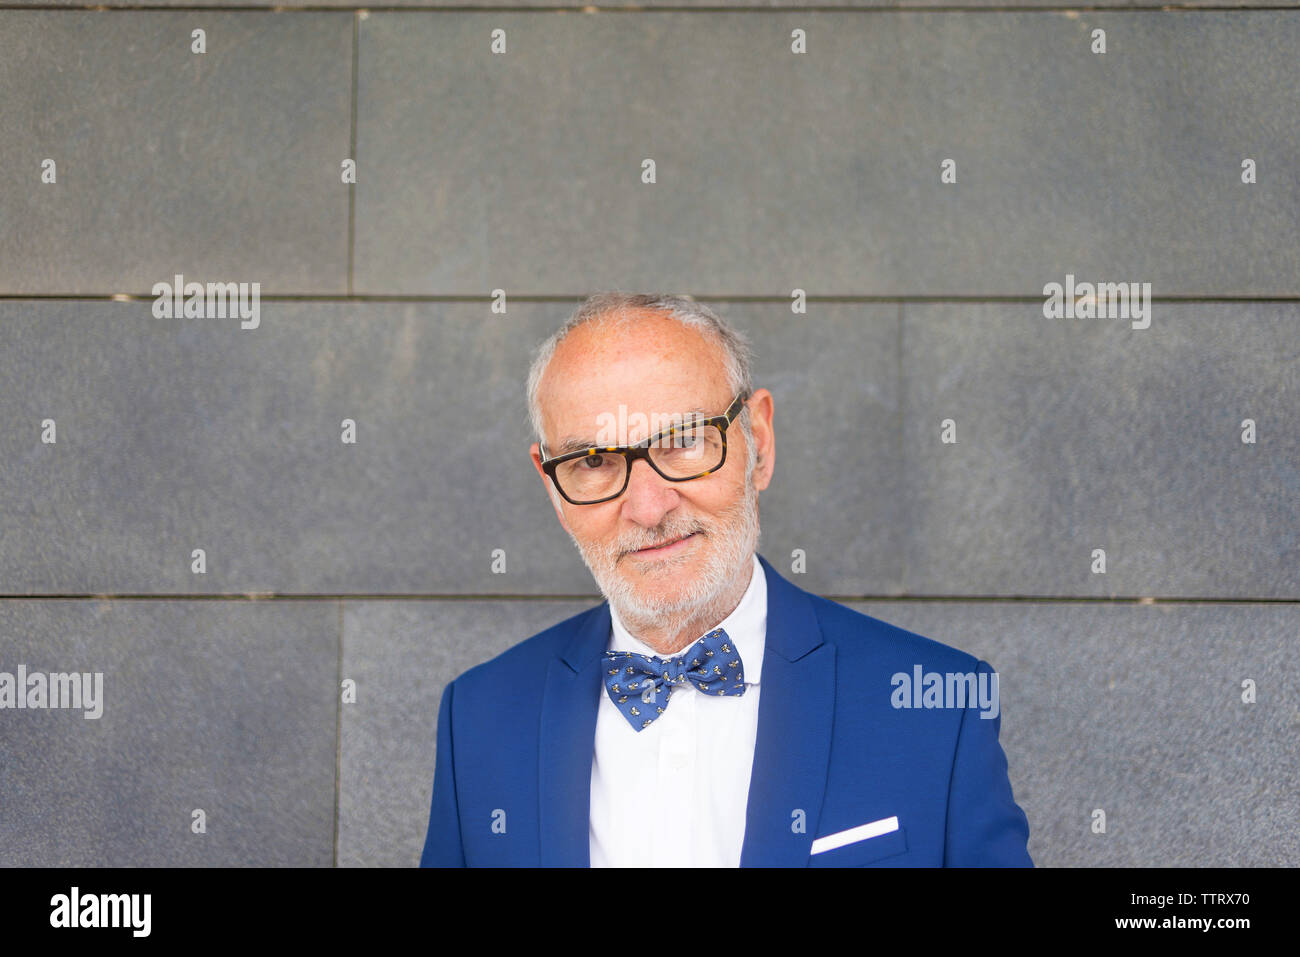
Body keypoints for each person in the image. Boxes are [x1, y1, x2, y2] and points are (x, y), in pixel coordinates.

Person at [420, 292, 1032, 867]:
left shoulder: (937, 706)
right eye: (595, 462)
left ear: (757, 443)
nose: (649, 508)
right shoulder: (477, 718)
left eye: (684, 441)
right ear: (553, 485)